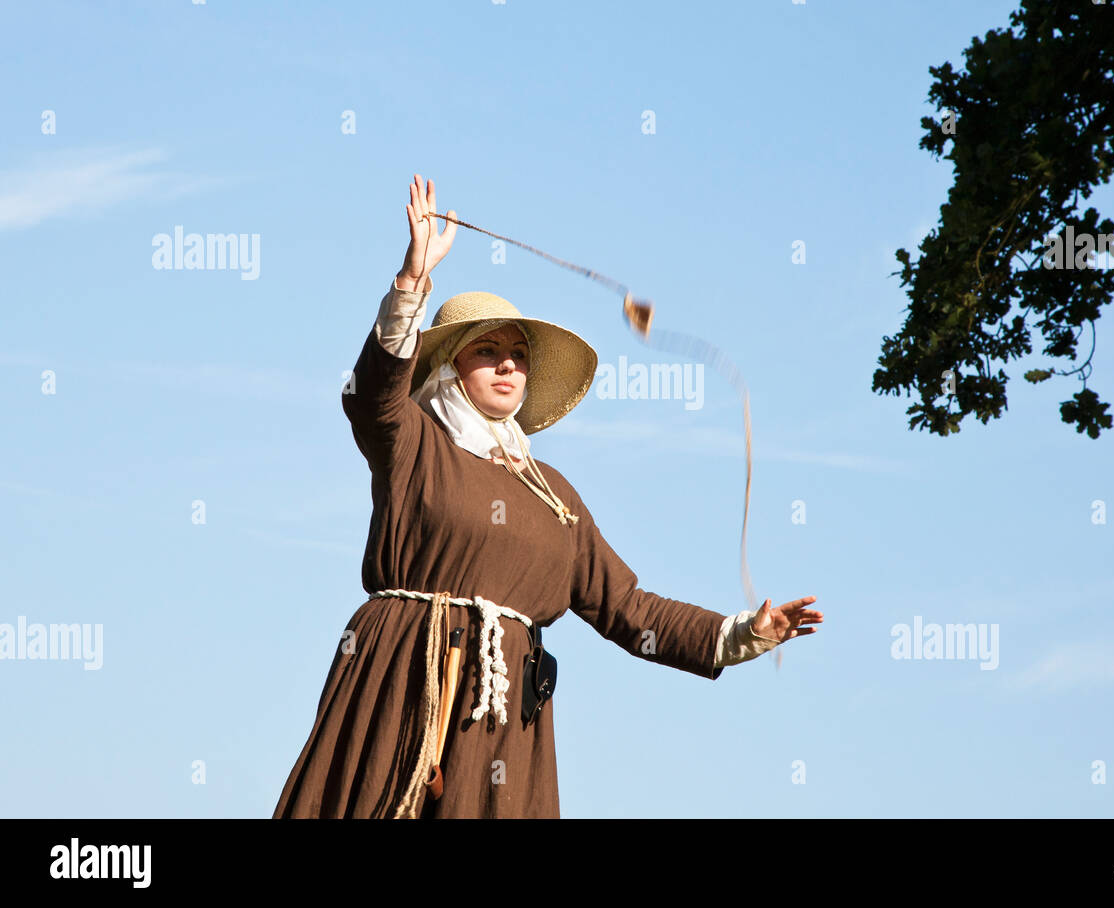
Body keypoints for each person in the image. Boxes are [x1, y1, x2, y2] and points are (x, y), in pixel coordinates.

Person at [272, 175, 824, 818]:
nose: (508, 365)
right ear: (450, 365)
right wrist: (412, 281)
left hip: (502, 724)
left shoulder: (552, 493)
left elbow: (627, 606)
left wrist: (739, 635)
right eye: (489, 350)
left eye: (518, 353)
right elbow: (373, 394)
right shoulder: (413, 441)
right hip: (400, 679)